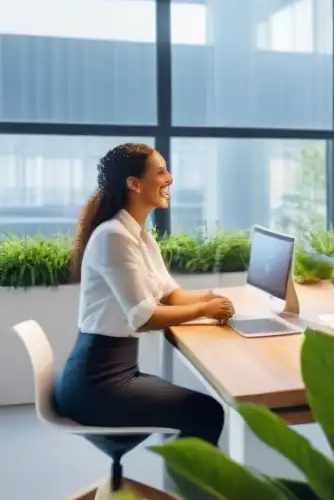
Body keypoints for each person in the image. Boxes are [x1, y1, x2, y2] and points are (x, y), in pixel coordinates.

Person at [53, 143, 234, 445]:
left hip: (116, 370)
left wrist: (215, 298)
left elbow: (171, 294)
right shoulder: (113, 237)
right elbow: (144, 317)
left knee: (197, 408)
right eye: (161, 171)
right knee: (205, 411)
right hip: (96, 384)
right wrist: (204, 310)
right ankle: (192, 491)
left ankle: (185, 484)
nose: (170, 178)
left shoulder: (139, 235)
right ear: (134, 184)